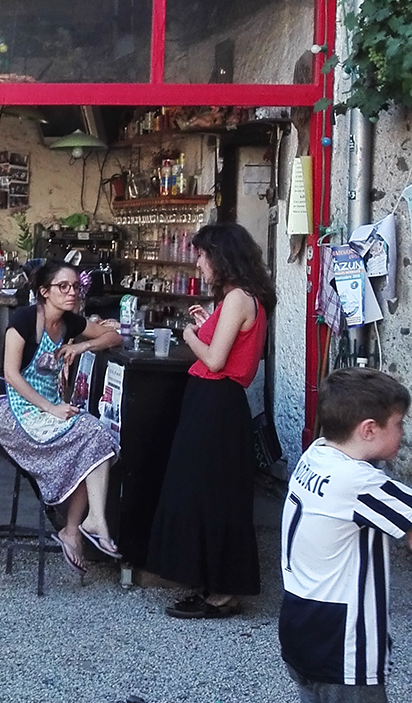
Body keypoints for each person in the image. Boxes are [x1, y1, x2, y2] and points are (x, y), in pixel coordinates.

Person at [149, 222, 273, 618]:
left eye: (202, 255)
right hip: (219, 402)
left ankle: (220, 592)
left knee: (207, 494)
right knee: (211, 493)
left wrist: (190, 336)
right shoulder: (243, 297)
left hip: (216, 402)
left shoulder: (237, 298)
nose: (198, 263)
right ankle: (214, 584)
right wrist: (208, 323)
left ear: (219, 255)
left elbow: (216, 360)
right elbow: (229, 347)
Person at [280, 368, 412, 701]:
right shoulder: (357, 483)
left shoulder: (318, 452)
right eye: (399, 424)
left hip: (302, 628)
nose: (403, 433)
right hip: (343, 647)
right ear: (369, 429)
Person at [0, 260, 124, 573]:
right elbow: (11, 375)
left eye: (75, 287)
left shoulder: (70, 323)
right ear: (44, 292)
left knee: (98, 438)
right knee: (90, 436)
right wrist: (51, 408)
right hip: (15, 412)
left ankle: (79, 525)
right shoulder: (24, 320)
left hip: (50, 410)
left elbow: (114, 337)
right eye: (63, 287)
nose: (71, 293)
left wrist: (83, 347)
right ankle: (83, 524)